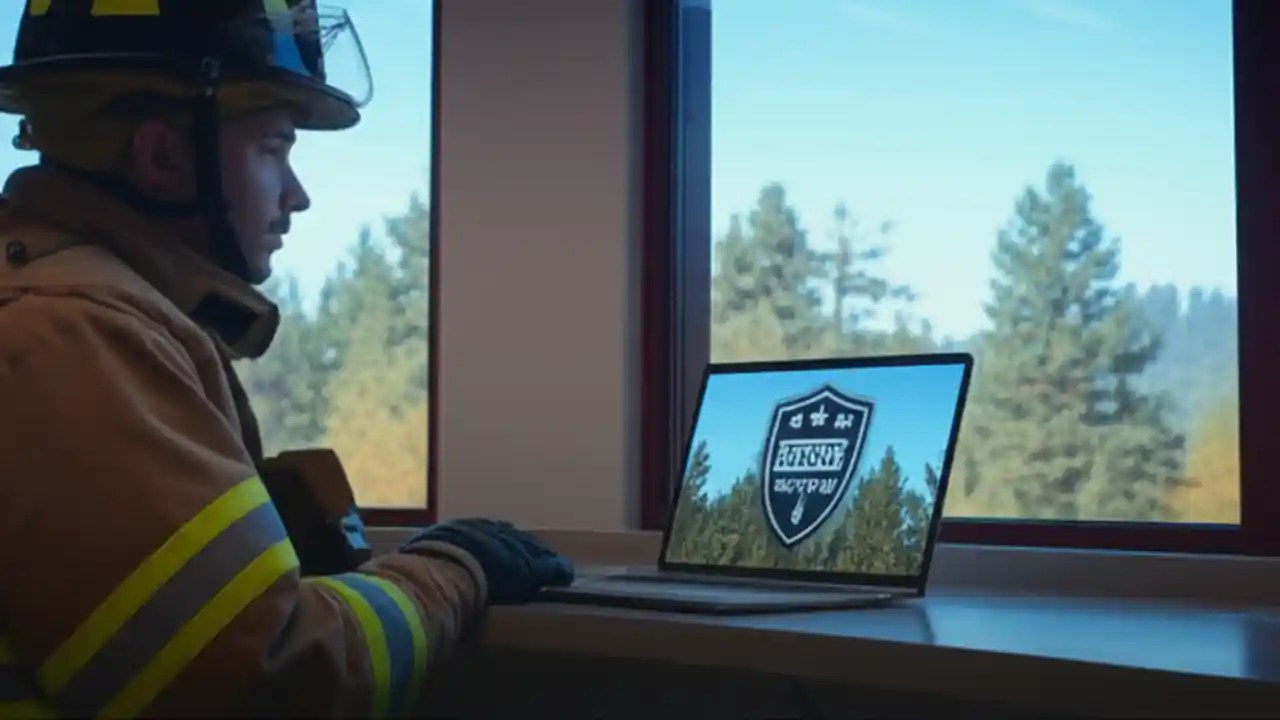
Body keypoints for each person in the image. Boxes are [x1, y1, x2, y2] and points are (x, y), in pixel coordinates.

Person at [0, 1, 573, 717]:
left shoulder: (54, 313)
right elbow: (262, 675)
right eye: (274, 148)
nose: (296, 196)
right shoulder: (76, 337)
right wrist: (451, 570)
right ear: (163, 157)